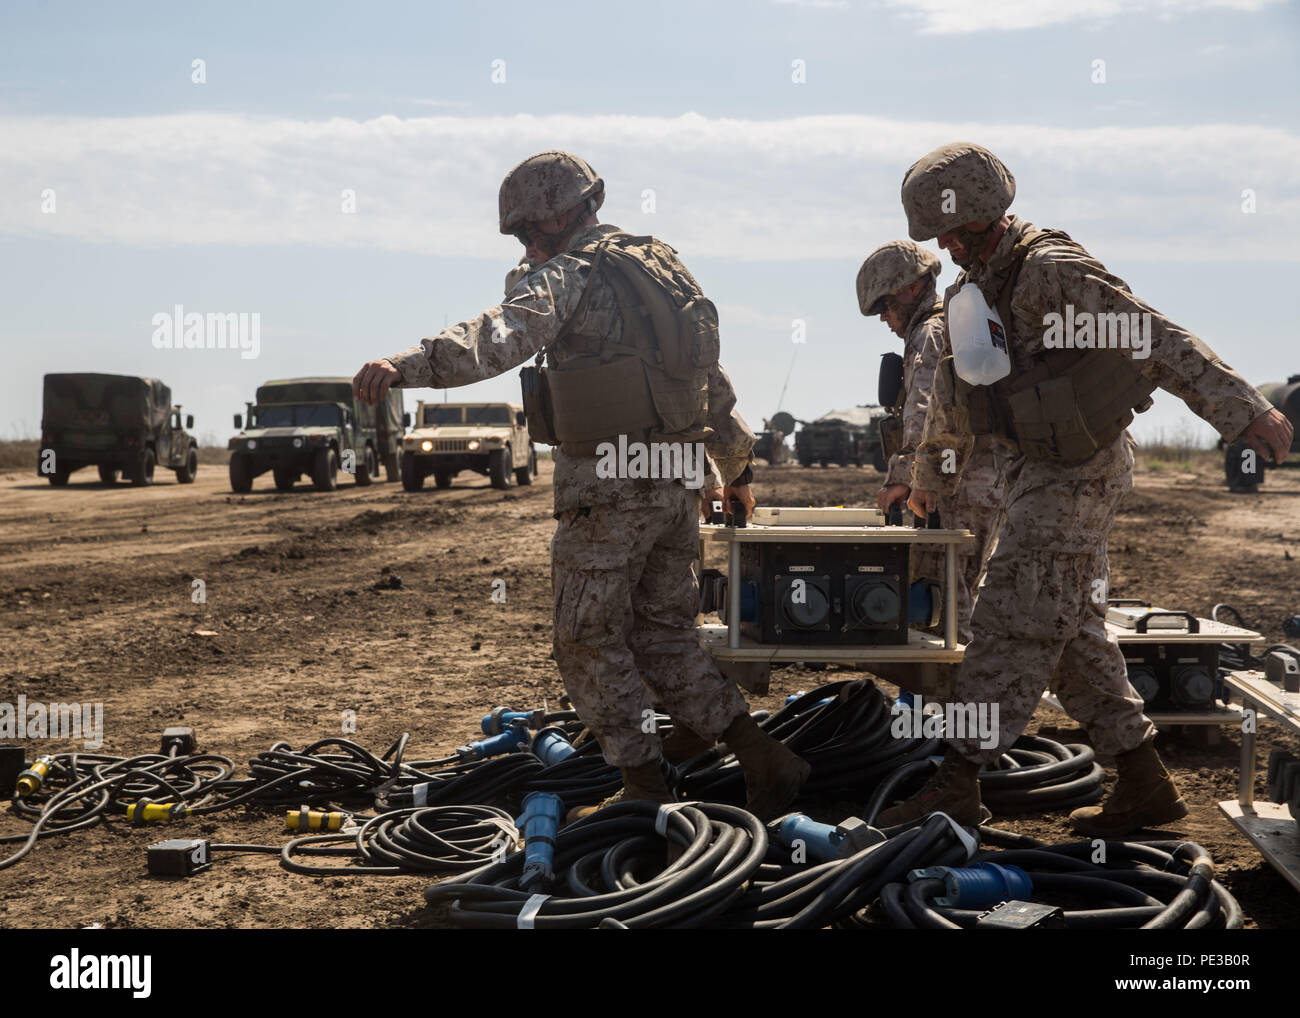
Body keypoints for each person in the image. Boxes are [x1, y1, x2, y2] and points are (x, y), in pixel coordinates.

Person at [353, 150, 810, 820]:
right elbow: (711, 381)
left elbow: (498, 336)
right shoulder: (662, 265)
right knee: (666, 638)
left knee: (586, 638)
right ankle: (765, 758)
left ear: (563, 211)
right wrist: (736, 466)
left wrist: (407, 365)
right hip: (675, 481)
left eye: (530, 230)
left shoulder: (573, 272)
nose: (527, 244)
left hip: (612, 489)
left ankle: (646, 788)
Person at [877, 142, 1293, 835]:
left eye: (951, 230)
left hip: (1083, 467)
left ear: (986, 212)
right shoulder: (971, 293)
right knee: (1072, 632)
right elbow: (951, 402)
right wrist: (927, 481)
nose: (944, 245)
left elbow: (1151, 337)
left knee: (1009, 609)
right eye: (937, 235)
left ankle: (957, 780)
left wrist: (1241, 409)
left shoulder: (1050, 272)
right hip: (1030, 469)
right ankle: (1143, 781)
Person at [857, 240, 1010, 648]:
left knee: (943, 604)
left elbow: (924, 411)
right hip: (973, 481)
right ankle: (949, 702)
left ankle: (950, 703)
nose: (884, 318)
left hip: (952, 485)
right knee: (957, 596)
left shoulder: (929, 332)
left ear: (912, 288)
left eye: (885, 306)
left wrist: (901, 478)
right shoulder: (951, 325)